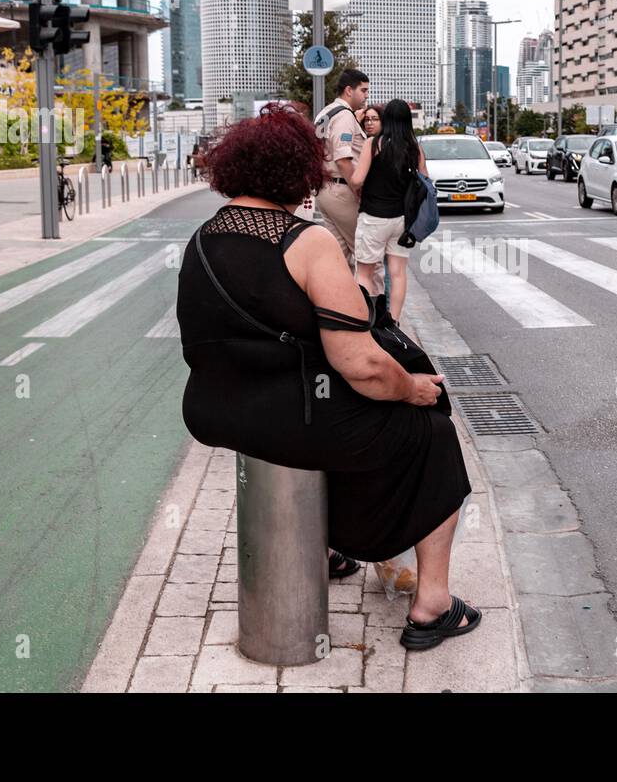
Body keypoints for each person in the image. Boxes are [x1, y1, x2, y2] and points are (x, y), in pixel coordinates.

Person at [177, 105, 479, 650]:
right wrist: (411, 389)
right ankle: (433, 604)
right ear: (296, 174)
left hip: (215, 411)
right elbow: (360, 364)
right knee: (430, 432)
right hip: (294, 417)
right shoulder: (306, 241)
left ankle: (333, 545)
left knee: (347, 424)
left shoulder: (201, 239)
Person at [351, 99, 427, 322]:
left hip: (373, 217)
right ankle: (394, 323)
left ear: (387, 120)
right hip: (401, 221)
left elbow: (356, 180)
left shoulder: (374, 144)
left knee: (364, 273)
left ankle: (364, 320)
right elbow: (425, 182)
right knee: (398, 274)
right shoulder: (415, 149)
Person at [313, 69, 371, 267]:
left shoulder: (325, 112)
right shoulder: (344, 116)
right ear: (349, 90)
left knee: (339, 256)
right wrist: (358, 189)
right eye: (363, 90)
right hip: (342, 190)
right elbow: (343, 159)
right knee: (366, 255)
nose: (366, 96)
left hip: (325, 188)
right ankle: (370, 298)